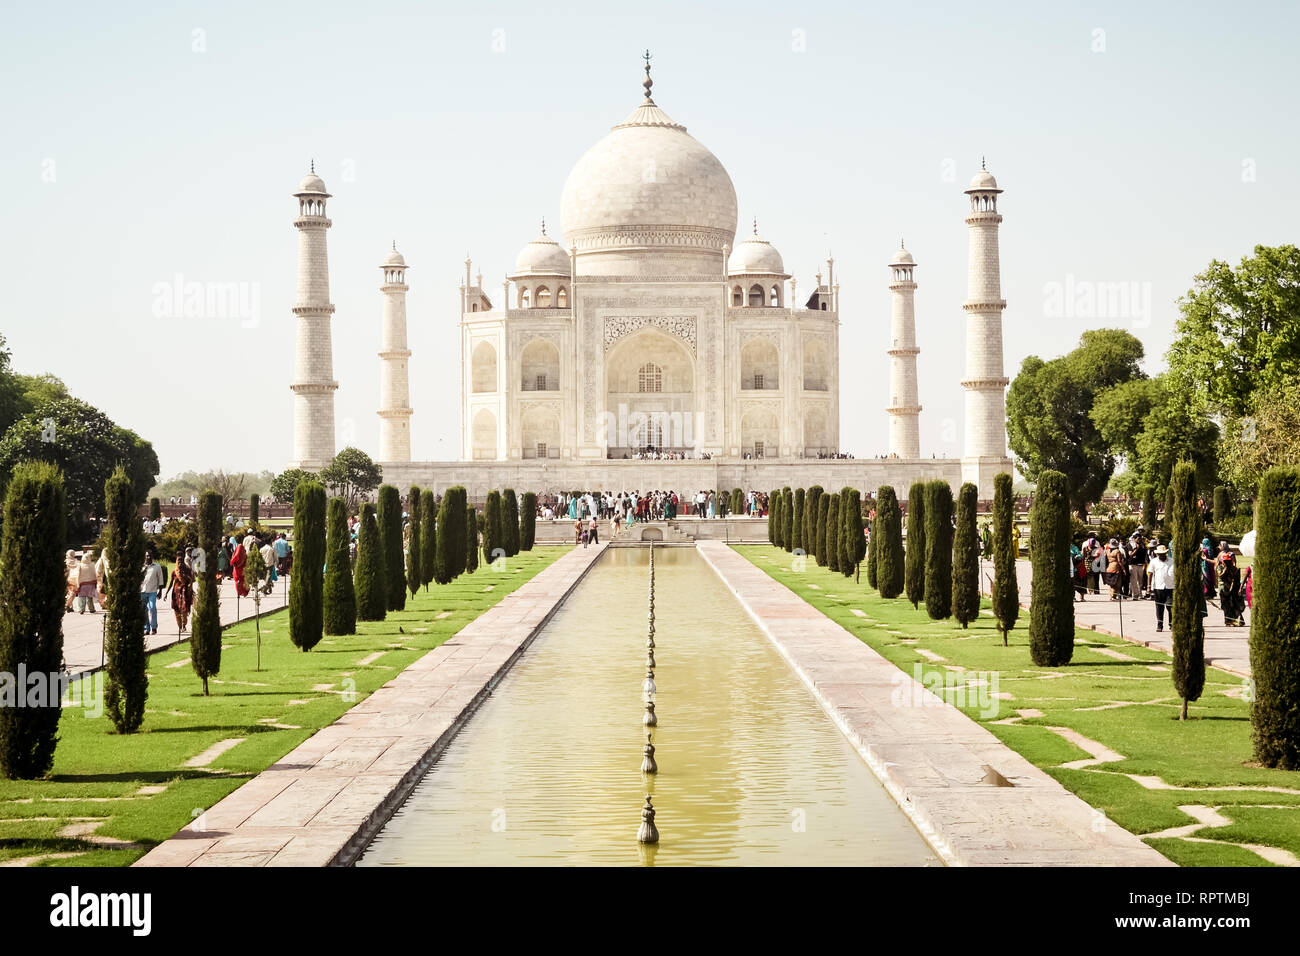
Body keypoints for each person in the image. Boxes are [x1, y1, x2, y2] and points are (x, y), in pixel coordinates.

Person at [163, 550, 194, 632]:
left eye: (181, 561)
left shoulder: (188, 570)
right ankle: (179, 626)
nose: (180, 563)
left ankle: (184, 625)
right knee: (176, 610)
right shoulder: (174, 572)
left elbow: (191, 581)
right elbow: (170, 583)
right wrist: (166, 593)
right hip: (176, 593)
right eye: (178, 561)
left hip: (185, 593)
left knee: (184, 610)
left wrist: (186, 577)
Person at [141, 551, 166, 635]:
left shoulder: (157, 566)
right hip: (142, 591)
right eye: (147, 556)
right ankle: (146, 628)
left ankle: (154, 627)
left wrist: (160, 591)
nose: (148, 557)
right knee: (144, 610)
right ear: (144, 557)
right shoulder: (141, 567)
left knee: (152, 608)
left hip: (152, 591)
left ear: (152, 556)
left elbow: (161, 579)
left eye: (150, 556)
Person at [1150, 544, 1174, 632]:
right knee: (1159, 607)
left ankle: (1171, 624)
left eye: (1163, 553)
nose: (1161, 555)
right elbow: (1150, 573)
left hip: (1170, 586)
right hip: (1158, 587)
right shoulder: (1154, 561)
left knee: (1170, 606)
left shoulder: (1172, 561)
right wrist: (1149, 587)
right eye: (1160, 554)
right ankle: (1160, 625)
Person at [1219, 551, 1244, 626]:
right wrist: (1225, 570)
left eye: (1228, 561)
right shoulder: (1220, 567)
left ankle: (1236, 620)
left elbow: (1236, 578)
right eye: (1225, 561)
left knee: (1233, 605)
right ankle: (1228, 620)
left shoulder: (1233, 568)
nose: (1226, 563)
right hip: (1223, 590)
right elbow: (1220, 576)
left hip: (1232, 590)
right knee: (1225, 606)